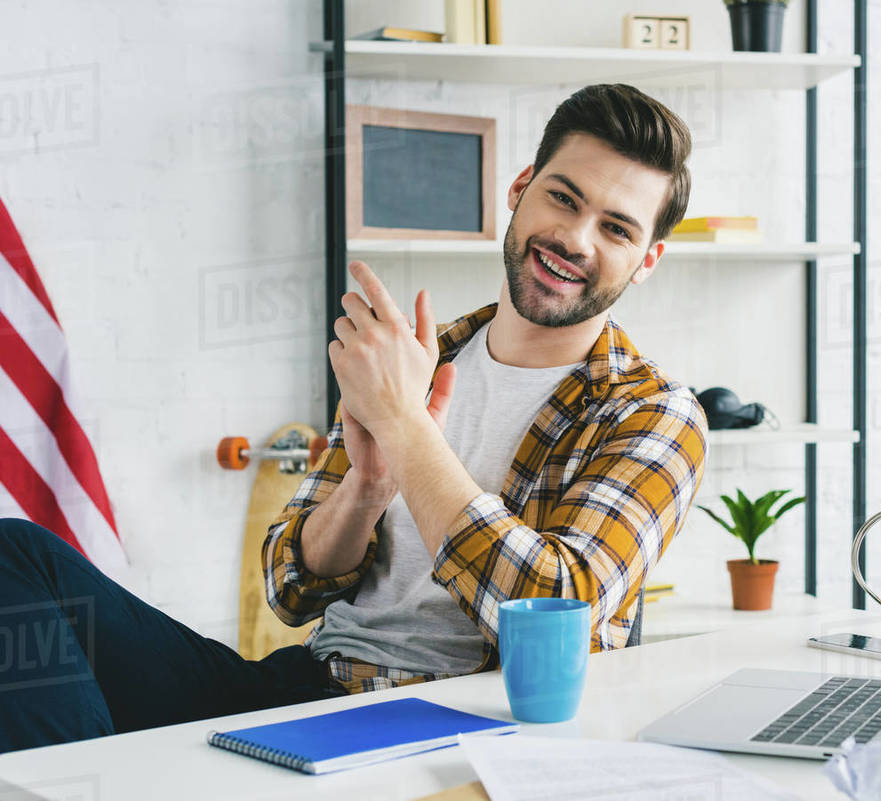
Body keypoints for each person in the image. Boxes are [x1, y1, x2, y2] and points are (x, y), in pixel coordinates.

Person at [0, 83, 707, 751]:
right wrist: (365, 490)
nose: (577, 238)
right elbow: (291, 587)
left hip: (463, 721)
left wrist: (405, 426)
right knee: (14, 555)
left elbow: (557, 615)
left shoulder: (654, 413)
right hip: (314, 694)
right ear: (521, 189)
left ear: (646, 261)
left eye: (615, 228)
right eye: (563, 197)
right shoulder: (422, 356)